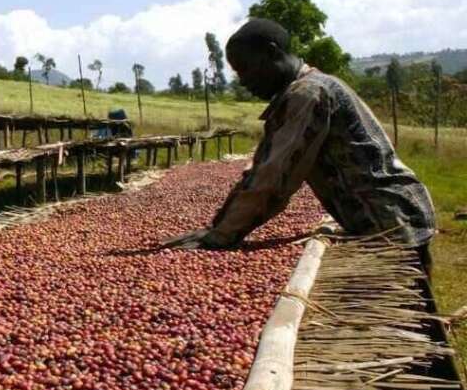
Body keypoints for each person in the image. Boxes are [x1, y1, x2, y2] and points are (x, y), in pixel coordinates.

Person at [165, 18, 436, 273]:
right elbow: (266, 168)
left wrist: (220, 236)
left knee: (408, 315)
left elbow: (273, 177)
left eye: (246, 68)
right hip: (389, 216)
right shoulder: (308, 89)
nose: (244, 81)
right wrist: (218, 227)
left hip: (390, 222)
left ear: (271, 52)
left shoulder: (306, 94)